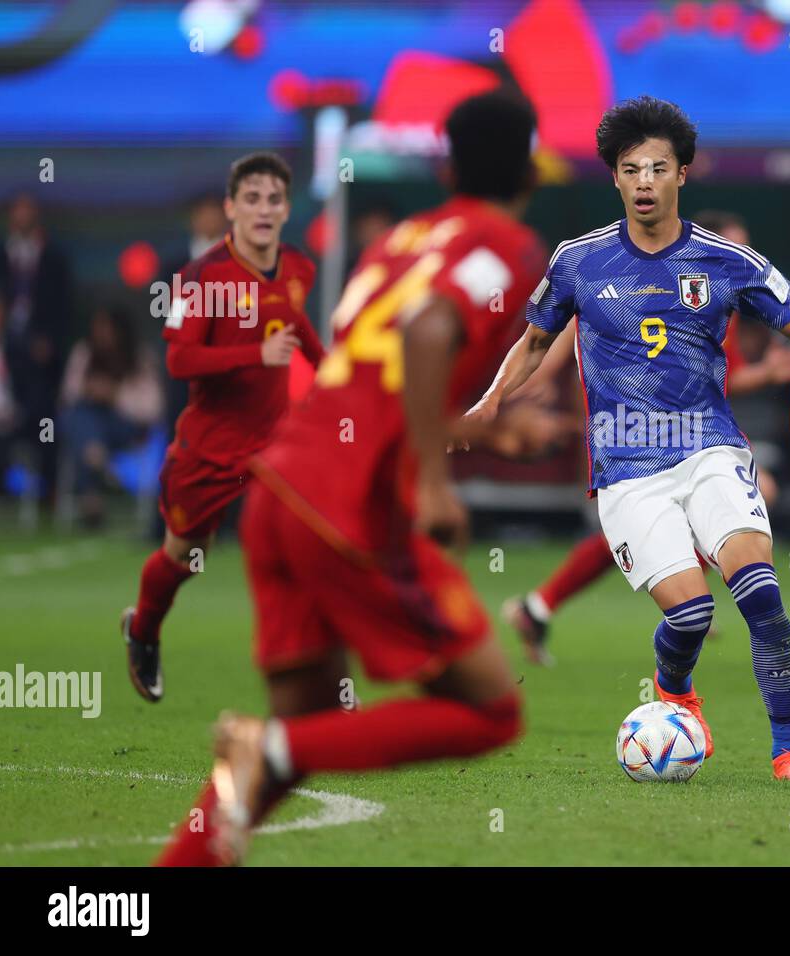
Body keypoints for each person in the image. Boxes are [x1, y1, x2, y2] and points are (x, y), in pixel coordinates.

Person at [154, 89, 546, 865]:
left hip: (278, 490)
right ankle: (268, 745)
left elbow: (372, 379)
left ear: (446, 164)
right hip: (347, 507)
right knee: (493, 713)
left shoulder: (399, 240)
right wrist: (434, 484)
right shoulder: (506, 245)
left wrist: (489, 428)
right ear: (530, 170)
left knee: (300, 730)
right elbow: (429, 330)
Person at [462, 95, 790, 780]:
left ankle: (788, 749)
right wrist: (488, 405)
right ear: (615, 178)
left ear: (681, 175)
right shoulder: (579, 261)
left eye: (657, 168)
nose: (644, 182)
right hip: (627, 471)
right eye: (631, 169)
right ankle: (674, 690)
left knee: (760, 593)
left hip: (710, 449)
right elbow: (534, 341)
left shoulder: (725, 260)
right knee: (689, 617)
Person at [500, 208, 790, 665]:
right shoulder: (682, 284)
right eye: (738, 244)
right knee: (653, 517)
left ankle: (542, 607)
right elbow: (577, 318)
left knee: (641, 524)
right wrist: (769, 374)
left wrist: (765, 373)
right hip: (639, 424)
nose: (744, 254)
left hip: (684, 426)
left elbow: (720, 376)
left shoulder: (717, 294)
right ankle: (683, 596)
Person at [120, 153, 323, 703]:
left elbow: (297, 322)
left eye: (274, 199)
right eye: (251, 198)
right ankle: (143, 629)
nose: (263, 209)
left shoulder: (299, 268)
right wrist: (254, 353)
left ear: (286, 209)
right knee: (184, 556)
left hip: (273, 448)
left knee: (309, 540)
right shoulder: (202, 277)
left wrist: (331, 373)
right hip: (208, 449)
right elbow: (180, 362)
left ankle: (305, 674)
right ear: (231, 208)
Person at [0, 192, 73, 508]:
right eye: (18, 211)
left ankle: (48, 488)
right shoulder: (1, 255)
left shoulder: (54, 258)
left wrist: (49, 342)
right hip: (5, 351)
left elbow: (65, 308)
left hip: (38, 357)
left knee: (43, 417)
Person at [59, 306, 163, 526]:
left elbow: (152, 409)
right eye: (97, 327)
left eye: (106, 327)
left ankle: (92, 486)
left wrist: (115, 395)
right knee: (80, 415)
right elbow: (68, 396)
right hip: (87, 420)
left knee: (83, 428)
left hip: (125, 426)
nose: (100, 333)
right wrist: (91, 390)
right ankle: (96, 465)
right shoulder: (84, 352)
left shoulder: (139, 356)